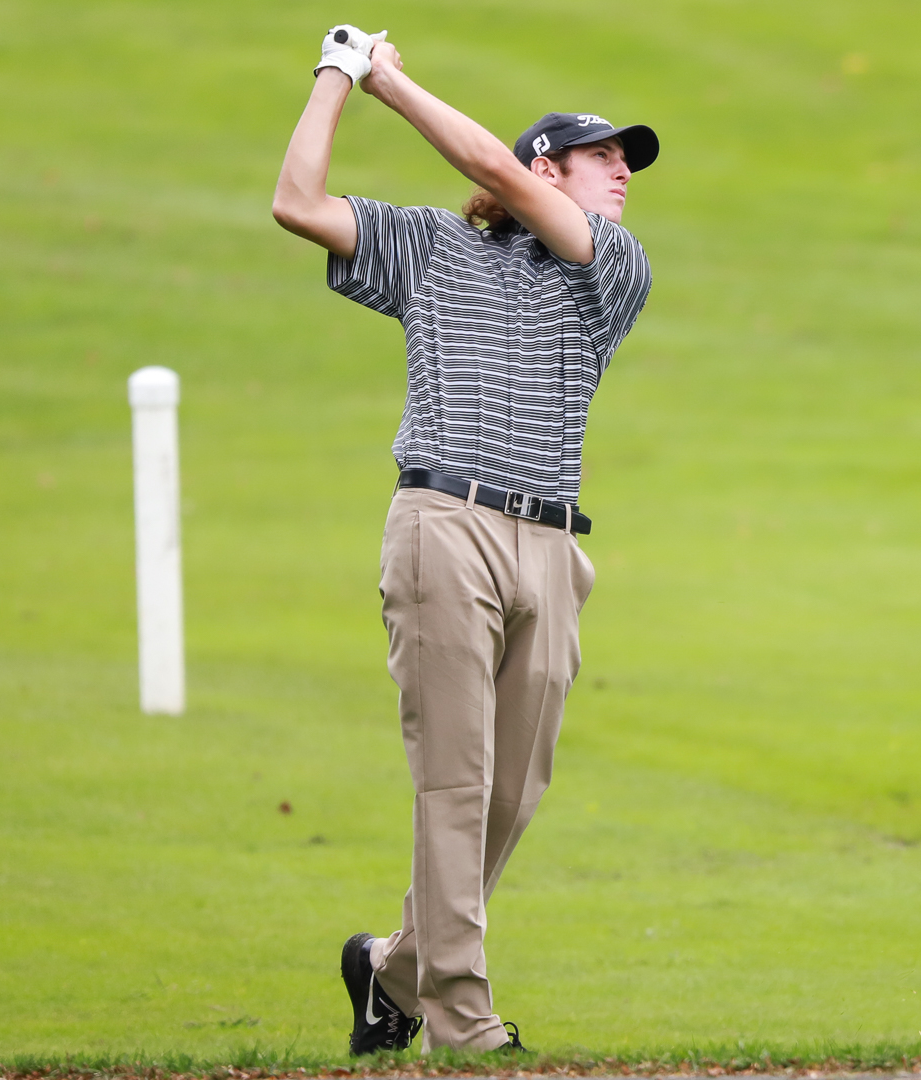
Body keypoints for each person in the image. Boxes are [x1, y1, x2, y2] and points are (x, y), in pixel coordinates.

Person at [270, 24, 658, 1055]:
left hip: (551, 548)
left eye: (627, 160)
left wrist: (390, 79)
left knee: (512, 793)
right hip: (443, 524)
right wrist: (340, 79)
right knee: (455, 779)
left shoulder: (610, 269)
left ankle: (391, 968)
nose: (624, 172)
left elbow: (486, 162)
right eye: (603, 155)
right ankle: (462, 1020)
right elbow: (296, 203)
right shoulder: (433, 249)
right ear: (548, 167)